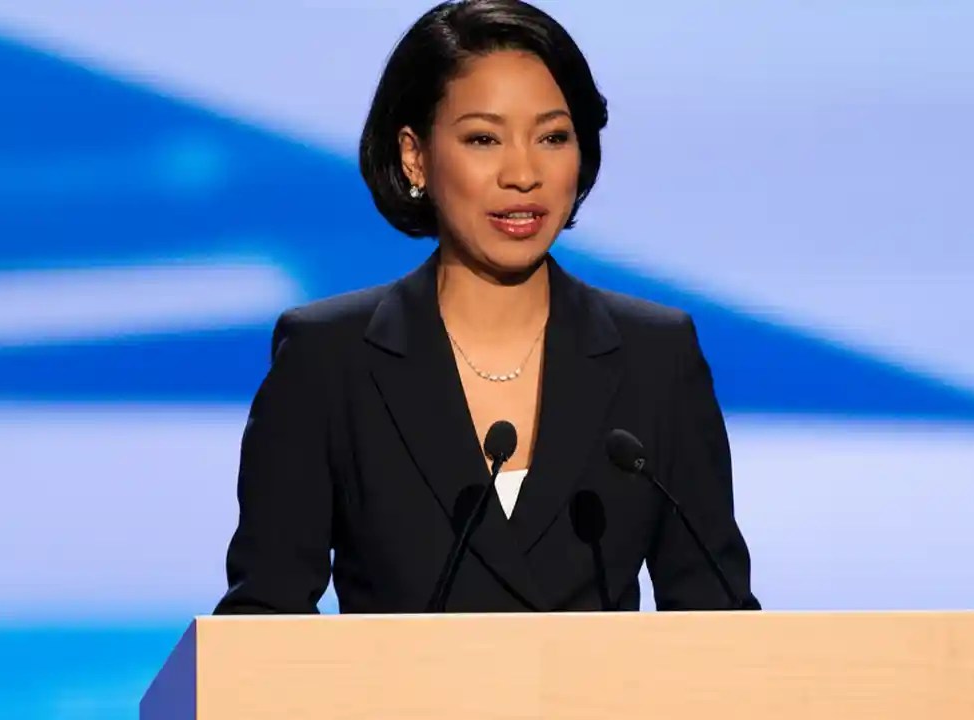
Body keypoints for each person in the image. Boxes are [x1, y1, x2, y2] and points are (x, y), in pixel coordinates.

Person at [214, 0, 758, 614]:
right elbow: (263, 622)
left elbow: (718, 619)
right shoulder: (327, 361)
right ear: (415, 155)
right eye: (483, 138)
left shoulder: (656, 357)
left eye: (552, 137)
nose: (523, 173)